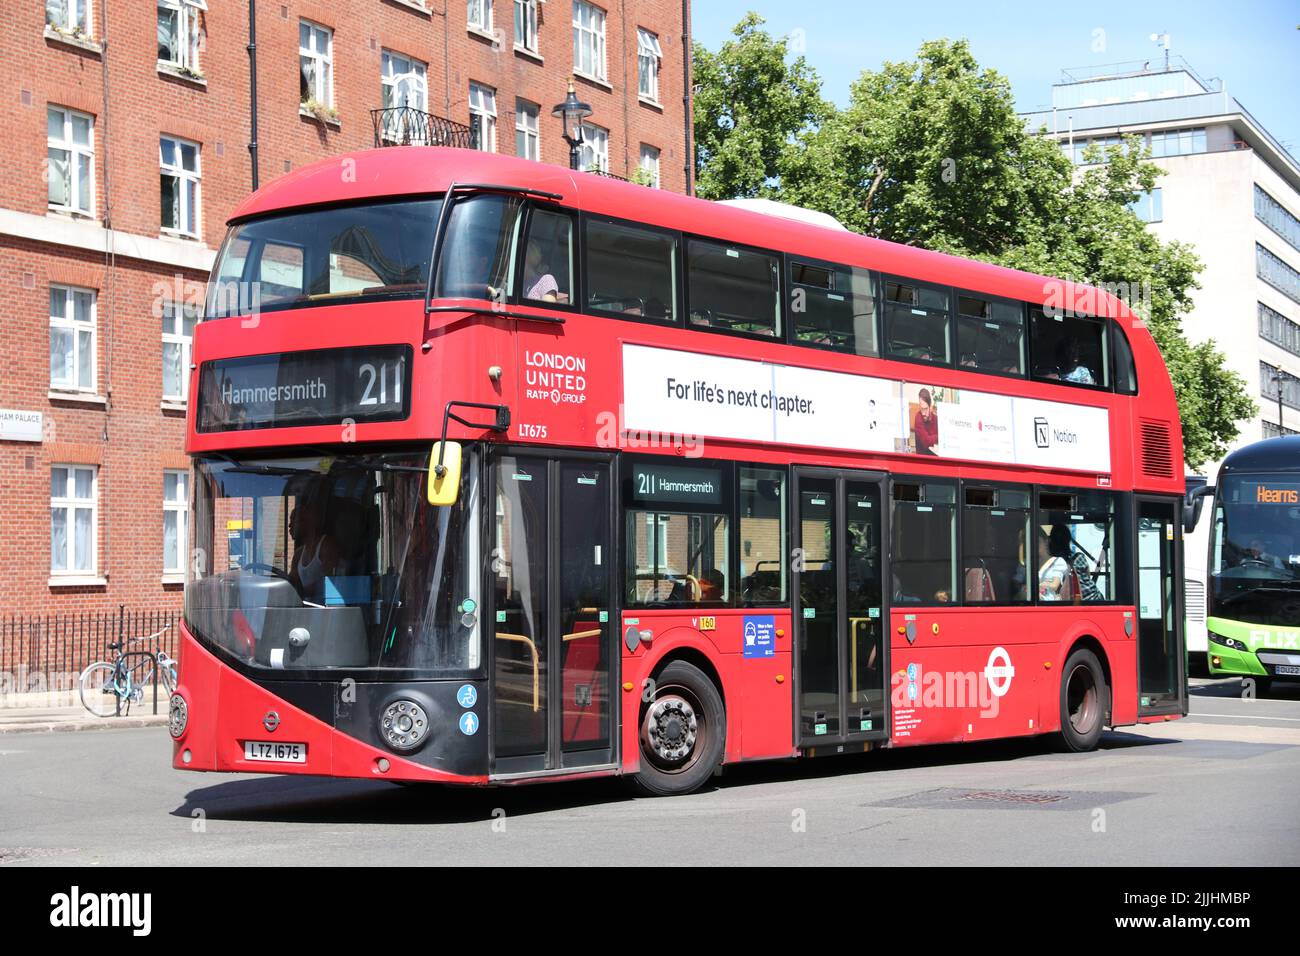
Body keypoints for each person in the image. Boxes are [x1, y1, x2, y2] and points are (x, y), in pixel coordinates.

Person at [912, 388, 939, 455]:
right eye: (921, 409)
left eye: (925, 409)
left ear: (930, 408)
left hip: (936, 457)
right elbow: (926, 441)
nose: (923, 413)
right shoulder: (918, 417)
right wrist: (939, 437)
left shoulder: (936, 419)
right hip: (922, 459)